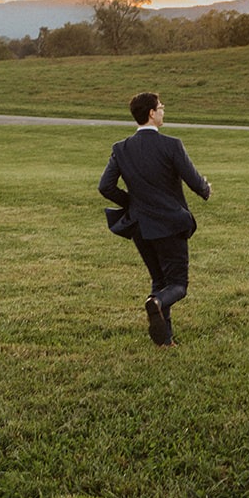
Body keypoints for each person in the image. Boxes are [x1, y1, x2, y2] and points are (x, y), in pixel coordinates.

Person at [99, 91, 212, 346]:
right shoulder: (171, 145)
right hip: (169, 224)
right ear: (151, 113)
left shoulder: (121, 148)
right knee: (178, 285)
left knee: (159, 280)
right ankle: (157, 303)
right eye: (161, 107)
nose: (163, 111)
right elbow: (193, 180)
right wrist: (206, 189)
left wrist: (134, 203)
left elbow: (105, 187)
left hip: (139, 225)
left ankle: (165, 340)